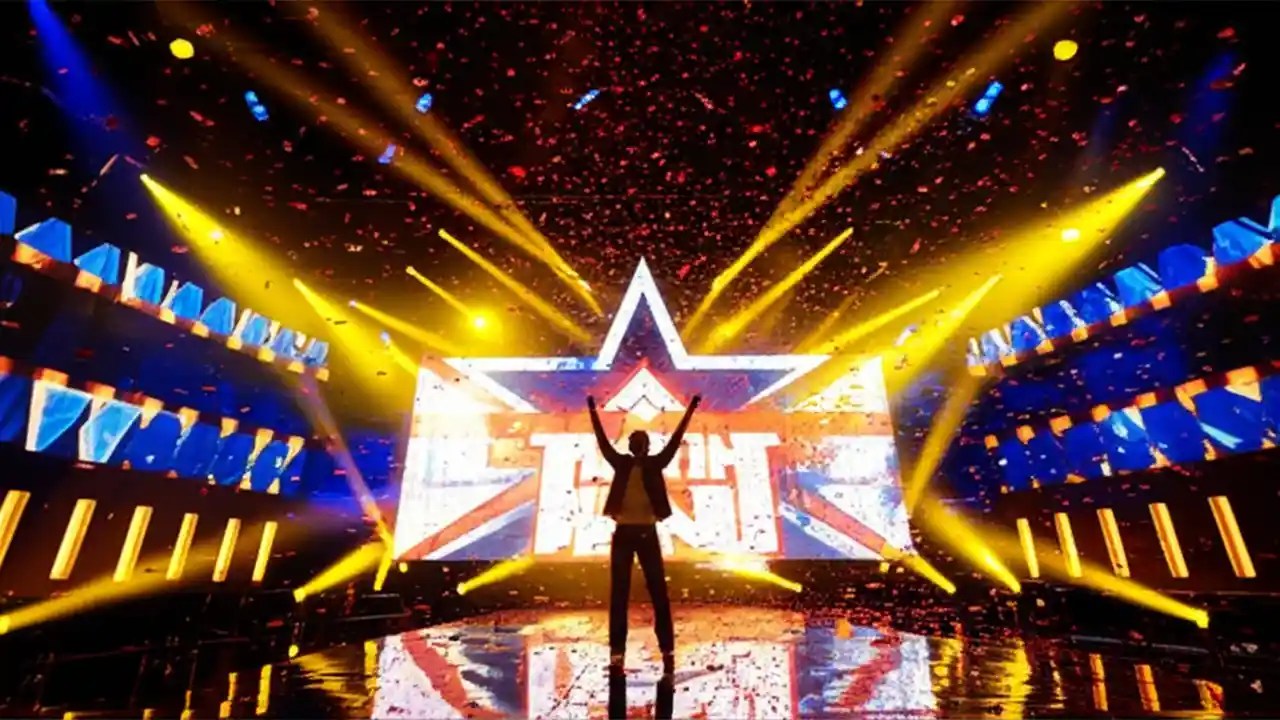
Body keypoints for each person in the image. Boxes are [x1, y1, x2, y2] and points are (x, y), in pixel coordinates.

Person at [587, 393, 701, 676]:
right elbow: (602, 442)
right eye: (638, 443)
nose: (641, 446)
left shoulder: (654, 464)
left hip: (646, 533)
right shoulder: (622, 463)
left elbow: (676, 439)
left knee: (658, 594)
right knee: (620, 595)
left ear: (647, 447)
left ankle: (667, 650)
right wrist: (591, 410)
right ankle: (617, 654)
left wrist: (690, 410)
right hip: (624, 533)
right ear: (632, 446)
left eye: (644, 443)